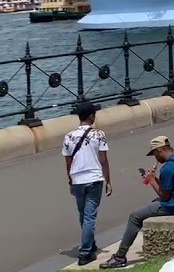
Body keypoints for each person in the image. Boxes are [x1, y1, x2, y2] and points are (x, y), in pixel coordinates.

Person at [99, 136, 174, 269]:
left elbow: (165, 196)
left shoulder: (167, 168)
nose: (155, 158)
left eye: (155, 154)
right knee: (152, 204)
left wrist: (151, 180)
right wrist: (154, 178)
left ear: (160, 150)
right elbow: (170, 187)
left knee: (135, 217)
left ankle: (120, 257)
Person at [63, 101, 112, 266]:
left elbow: (68, 162)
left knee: (83, 215)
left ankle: (90, 244)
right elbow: (103, 160)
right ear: (91, 116)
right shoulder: (98, 134)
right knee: (90, 216)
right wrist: (108, 181)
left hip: (77, 180)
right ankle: (85, 253)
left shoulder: (68, 136)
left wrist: (70, 181)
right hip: (94, 178)